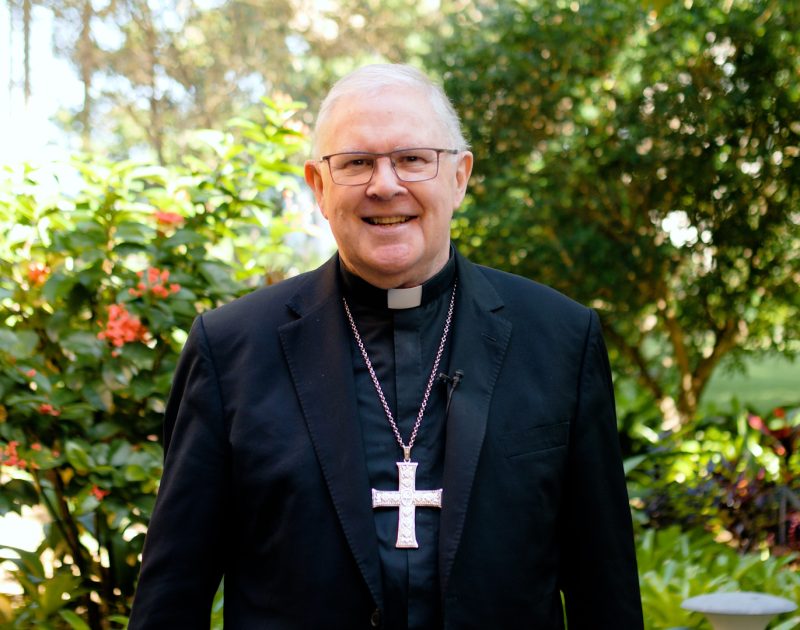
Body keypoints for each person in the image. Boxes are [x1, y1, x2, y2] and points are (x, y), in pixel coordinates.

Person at [129, 63, 643, 629]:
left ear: (459, 177)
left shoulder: (561, 339)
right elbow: (171, 596)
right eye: (355, 163)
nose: (385, 184)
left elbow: (605, 590)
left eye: (412, 158)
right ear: (318, 188)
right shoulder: (230, 351)